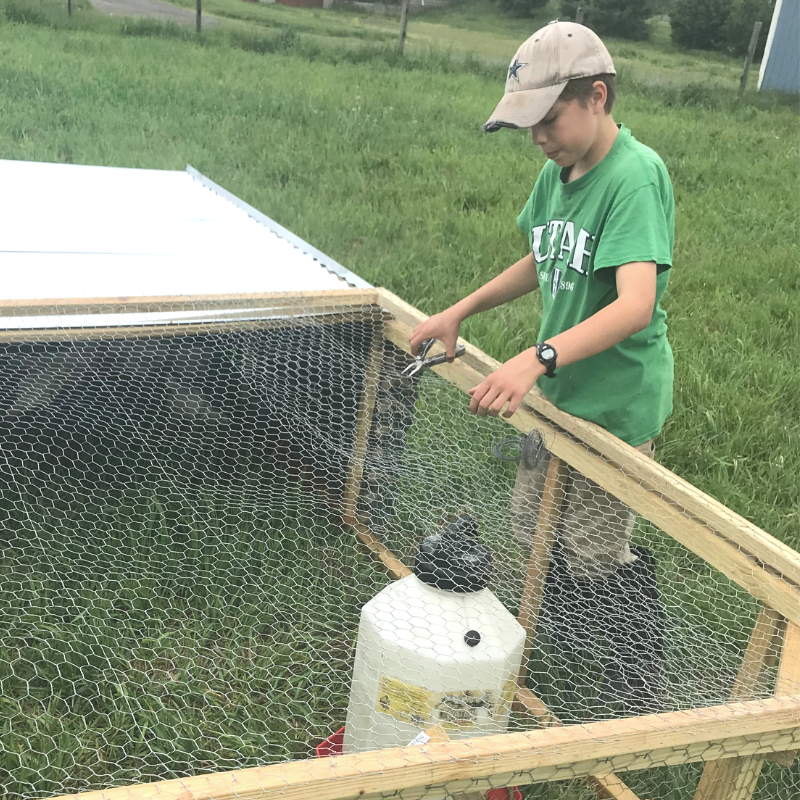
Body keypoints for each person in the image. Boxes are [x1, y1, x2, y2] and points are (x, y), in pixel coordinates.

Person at [409, 21, 674, 715]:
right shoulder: (557, 175)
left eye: (548, 120)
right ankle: (557, 626)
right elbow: (541, 259)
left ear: (596, 96)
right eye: (527, 125)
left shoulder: (634, 177)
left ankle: (638, 669)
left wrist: (538, 356)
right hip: (556, 393)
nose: (537, 137)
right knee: (530, 525)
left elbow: (636, 304)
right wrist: (460, 310)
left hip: (613, 403)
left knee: (593, 552)